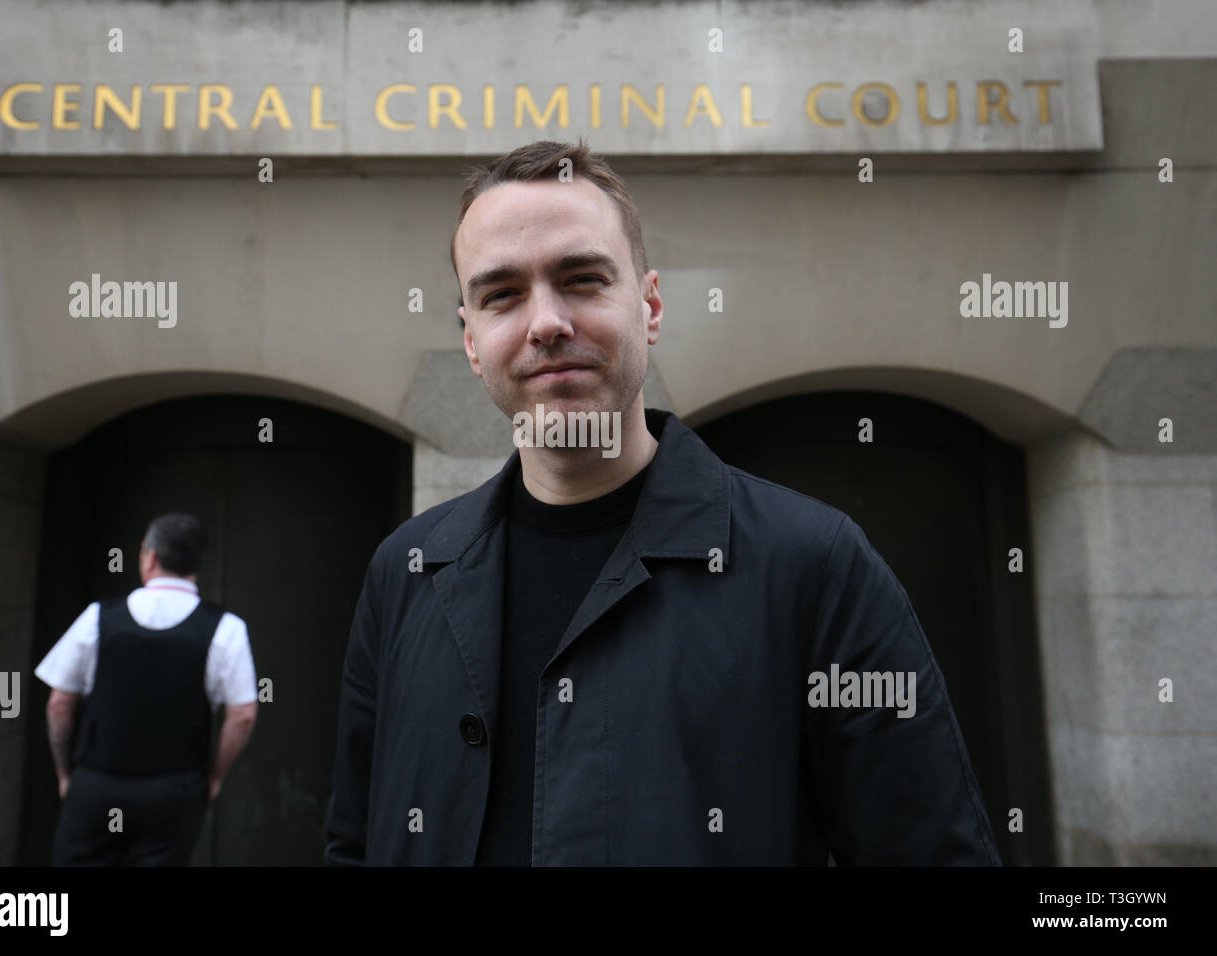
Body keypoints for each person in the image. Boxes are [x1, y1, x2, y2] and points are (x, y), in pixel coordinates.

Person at [324, 139, 1001, 866]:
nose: (546, 322)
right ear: (471, 341)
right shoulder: (407, 572)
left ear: (648, 306)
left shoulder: (815, 566)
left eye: (582, 280)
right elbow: (355, 845)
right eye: (502, 295)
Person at [36, 513, 258, 865]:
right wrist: (214, 777)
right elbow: (243, 714)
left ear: (150, 556)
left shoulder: (98, 616)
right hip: (174, 791)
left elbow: (58, 703)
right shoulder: (227, 628)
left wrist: (66, 773)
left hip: (96, 784)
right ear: (196, 563)